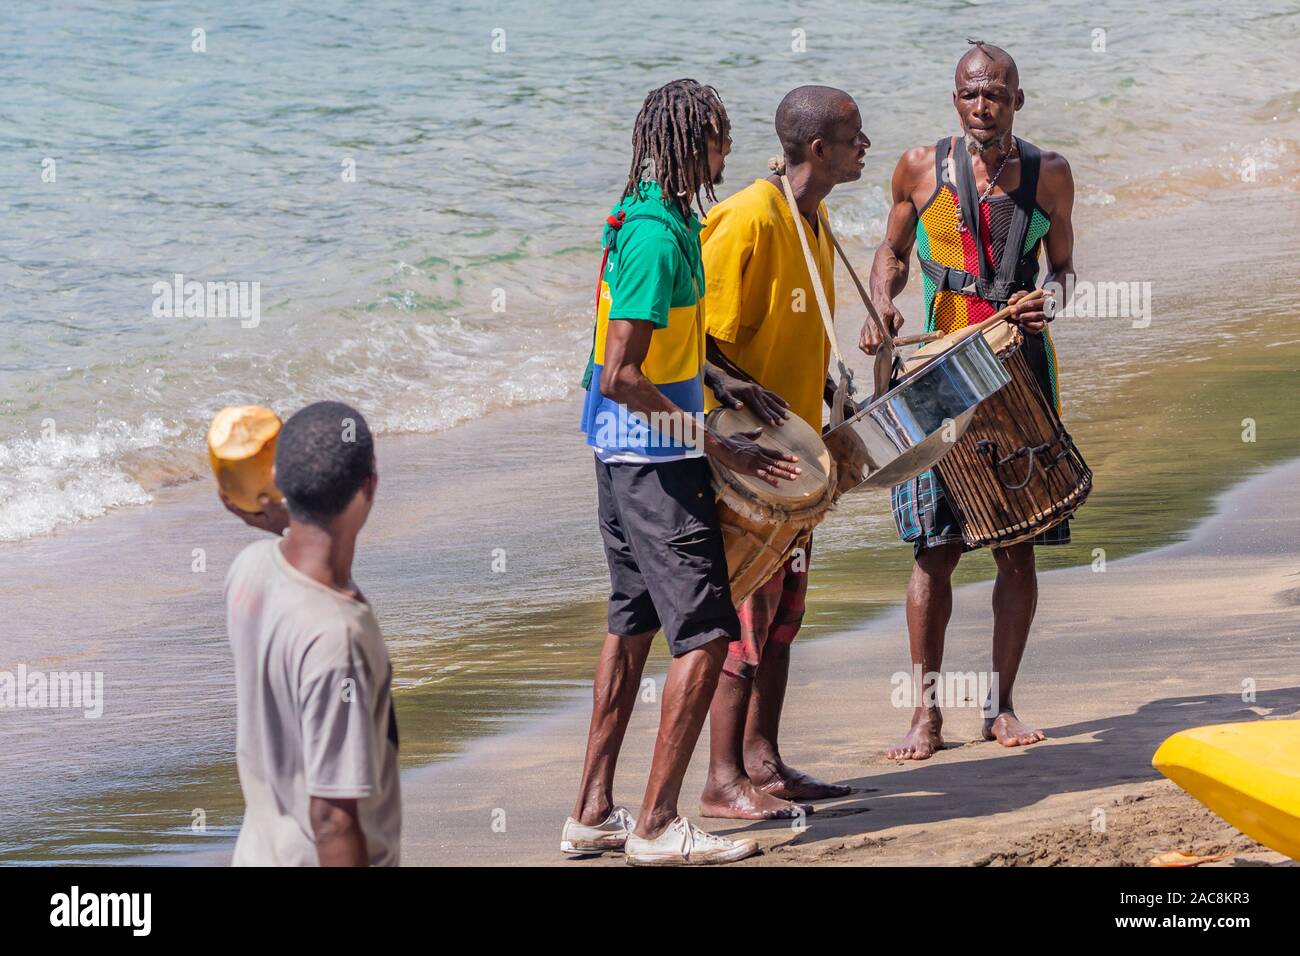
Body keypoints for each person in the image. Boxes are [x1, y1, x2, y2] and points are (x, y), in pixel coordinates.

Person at [563, 79, 798, 865]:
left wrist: (728, 384)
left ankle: (593, 812)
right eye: (720, 140)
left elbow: (670, 343)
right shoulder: (659, 237)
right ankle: (658, 826)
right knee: (704, 632)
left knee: (630, 626)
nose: (726, 155)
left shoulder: (648, 216)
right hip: (653, 463)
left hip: (620, 455)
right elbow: (622, 371)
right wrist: (717, 442)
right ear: (693, 143)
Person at [861, 40, 1076, 759]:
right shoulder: (920, 166)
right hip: (935, 372)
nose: (981, 104)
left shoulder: (1050, 175)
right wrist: (879, 307)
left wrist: (1047, 299)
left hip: (1020, 372)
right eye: (969, 93)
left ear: (1018, 98)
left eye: (995, 93)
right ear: (955, 99)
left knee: (1017, 549)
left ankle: (1001, 706)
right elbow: (890, 252)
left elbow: (1067, 269)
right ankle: (924, 716)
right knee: (934, 551)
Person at [696, 86, 870, 820]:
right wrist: (737, 392)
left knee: (784, 616)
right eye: (855, 136)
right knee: (743, 619)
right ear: (818, 149)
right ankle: (722, 777)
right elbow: (686, 340)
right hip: (746, 459)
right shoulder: (747, 218)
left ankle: (764, 763)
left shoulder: (813, 215)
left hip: (795, 456)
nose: (866, 146)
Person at [221, 401, 400, 865]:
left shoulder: (248, 572)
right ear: (370, 484)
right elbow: (332, 819)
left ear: (277, 481)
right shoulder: (337, 639)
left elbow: (297, 544)